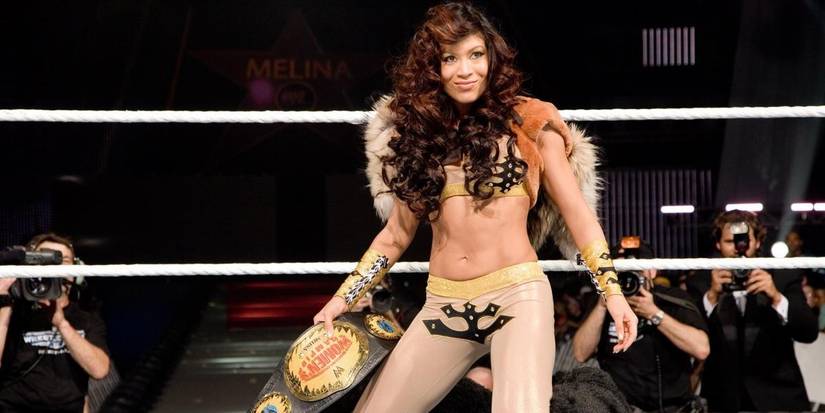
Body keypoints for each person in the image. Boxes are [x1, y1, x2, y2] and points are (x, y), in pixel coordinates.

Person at [312, 3, 637, 411]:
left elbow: (579, 217)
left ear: (492, 58)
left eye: (475, 55)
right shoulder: (417, 135)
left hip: (517, 298)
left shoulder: (531, 121)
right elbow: (395, 235)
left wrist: (613, 294)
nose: (465, 70)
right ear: (433, 68)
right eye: (450, 58)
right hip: (443, 305)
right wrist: (341, 299)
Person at [688, 210, 819, 411]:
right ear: (718, 244)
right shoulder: (701, 281)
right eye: (730, 241)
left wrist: (776, 297)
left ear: (757, 242)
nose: (738, 248)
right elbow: (689, 337)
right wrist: (711, 297)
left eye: (744, 241)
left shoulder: (782, 276)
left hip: (779, 399)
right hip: (723, 400)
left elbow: (808, 333)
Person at [572, 236, 709, 412]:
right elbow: (580, 353)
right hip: (621, 407)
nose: (629, 278)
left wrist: (654, 313)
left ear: (652, 271)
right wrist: (602, 305)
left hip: (672, 407)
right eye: (622, 270)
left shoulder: (672, 299)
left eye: (636, 270)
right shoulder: (602, 303)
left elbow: (701, 349)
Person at [0, 233, 110, 413]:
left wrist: (61, 324)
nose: (53, 268)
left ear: (76, 273)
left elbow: (99, 370)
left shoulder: (87, 317)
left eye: (62, 261)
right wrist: (4, 303)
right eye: (44, 260)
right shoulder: (12, 312)